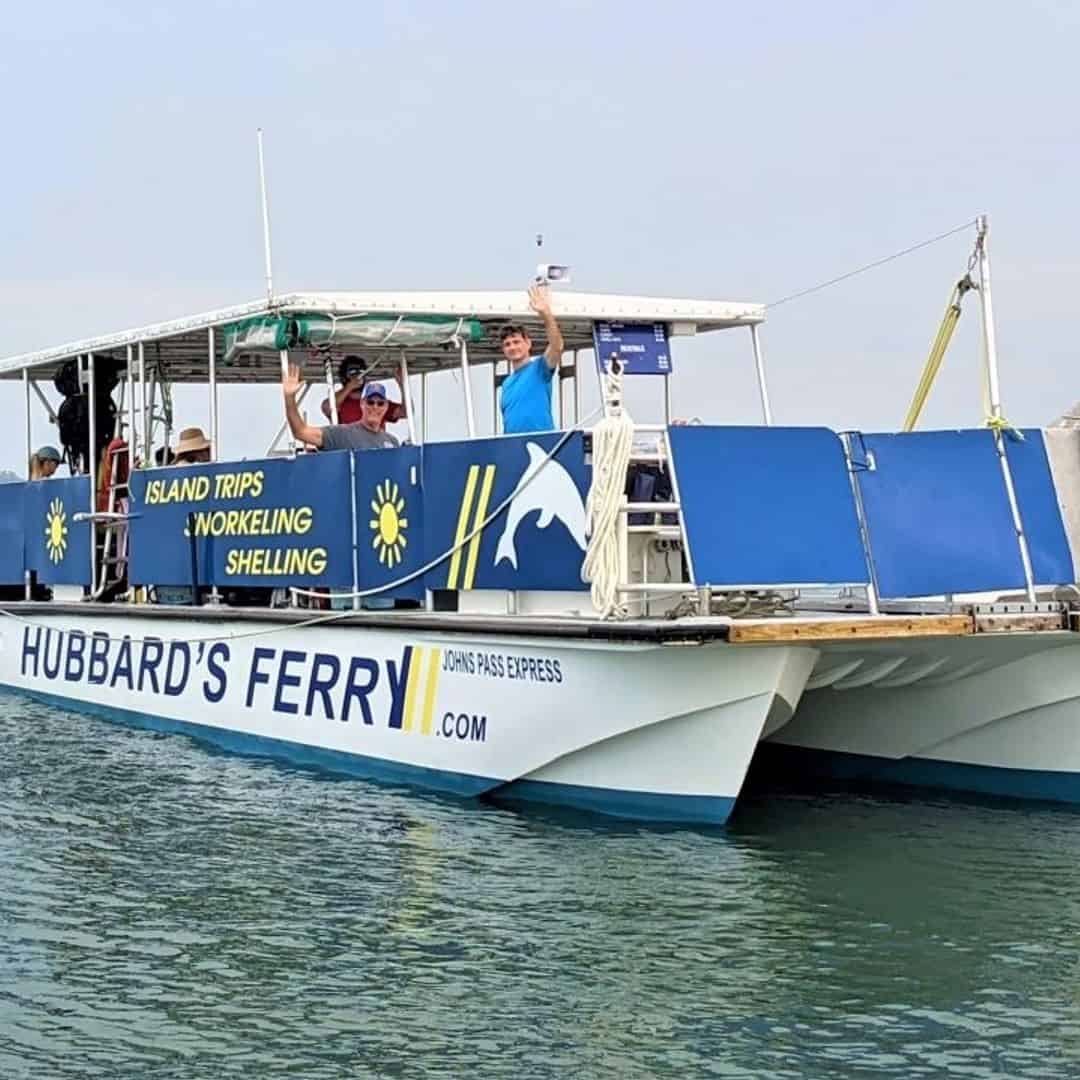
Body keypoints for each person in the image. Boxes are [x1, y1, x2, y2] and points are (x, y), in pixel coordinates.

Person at [499, 284, 565, 435]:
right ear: (503, 350)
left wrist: (546, 315)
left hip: (543, 444)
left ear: (528, 343)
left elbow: (557, 346)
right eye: (507, 344)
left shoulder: (540, 368)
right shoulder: (506, 383)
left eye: (516, 342)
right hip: (514, 447)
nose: (512, 347)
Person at [284, 365, 398, 451]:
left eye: (380, 403)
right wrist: (289, 398)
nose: (375, 407)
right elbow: (301, 432)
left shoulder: (392, 442)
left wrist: (401, 383)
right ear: (362, 404)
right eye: (370, 402)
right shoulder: (342, 434)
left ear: (386, 406)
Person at [321, 355, 407, 431]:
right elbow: (327, 407)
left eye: (362, 372)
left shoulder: (376, 403)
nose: (358, 376)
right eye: (353, 372)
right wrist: (349, 387)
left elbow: (405, 412)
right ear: (343, 377)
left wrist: (402, 384)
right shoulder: (340, 403)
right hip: (349, 447)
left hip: (376, 447)